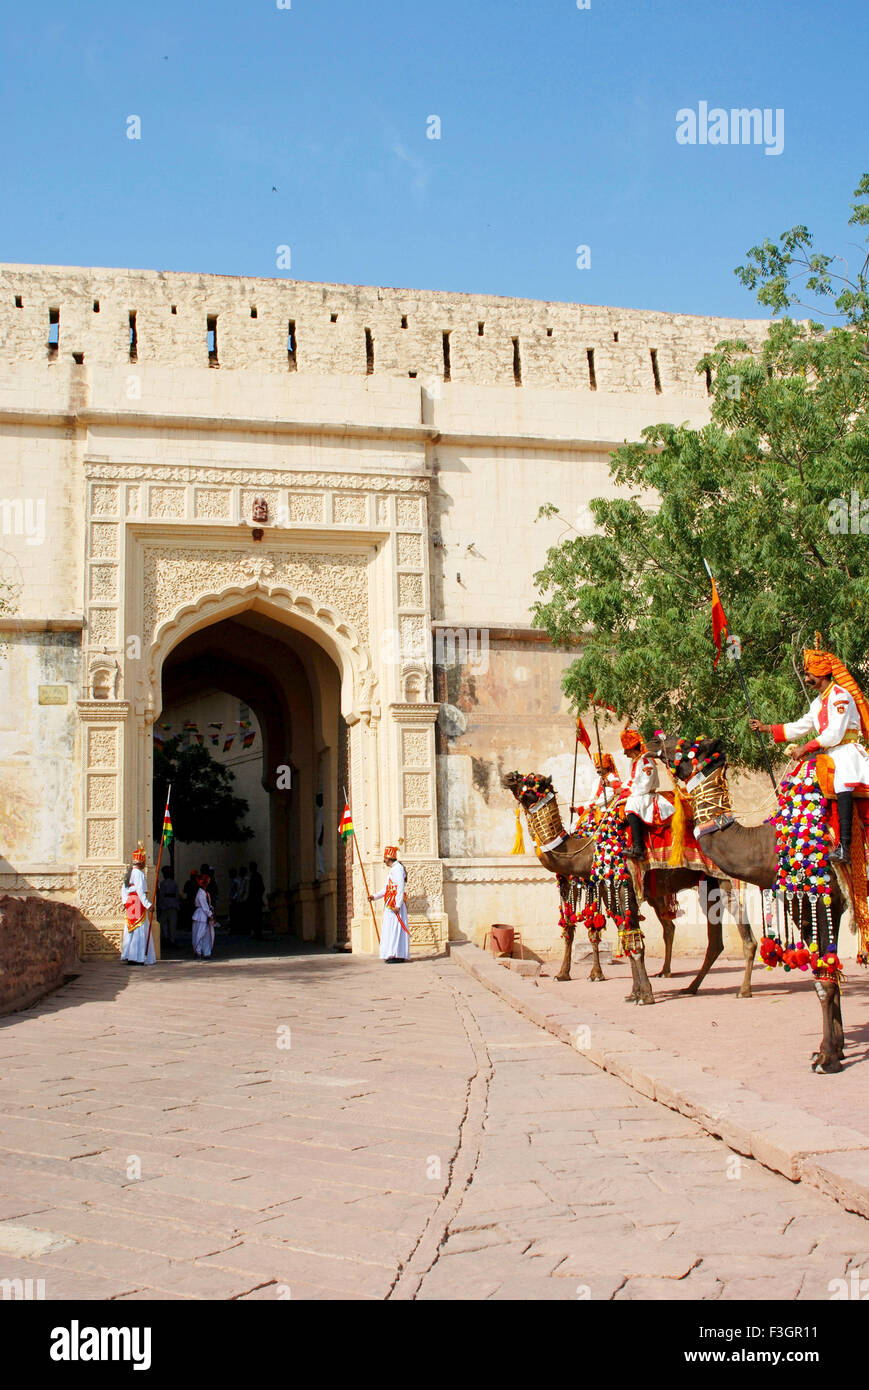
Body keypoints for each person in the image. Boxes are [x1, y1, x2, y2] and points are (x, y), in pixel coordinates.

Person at [751, 644, 869, 863]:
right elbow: (802, 726)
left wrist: (806, 748)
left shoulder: (840, 696)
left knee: (842, 781)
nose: (806, 679)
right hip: (829, 753)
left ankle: (845, 846)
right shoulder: (818, 702)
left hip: (846, 752)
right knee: (800, 779)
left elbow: (835, 733)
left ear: (823, 673)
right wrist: (767, 728)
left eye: (809, 674)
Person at [621, 727, 673, 859]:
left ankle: (639, 847)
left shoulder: (645, 761)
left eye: (626, 750)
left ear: (632, 749)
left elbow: (645, 785)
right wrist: (622, 790)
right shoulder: (635, 762)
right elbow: (630, 781)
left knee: (631, 805)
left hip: (646, 795)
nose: (625, 753)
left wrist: (629, 792)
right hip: (638, 794)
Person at [369, 846, 410, 963]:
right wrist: (375, 896)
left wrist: (398, 904)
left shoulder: (398, 869)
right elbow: (387, 889)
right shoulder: (393, 869)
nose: (384, 861)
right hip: (390, 903)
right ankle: (391, 953)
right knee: (390, 928)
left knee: (396, 928)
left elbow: (400, 887)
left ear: (389, 858)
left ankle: (397, 954)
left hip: (395, 905)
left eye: (385, 859)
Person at [121, 842, 156, 965]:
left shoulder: (129, 873)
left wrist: (124, 901)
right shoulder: (139, 874)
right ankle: (137, 956)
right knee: (139, 927)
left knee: (131, 927)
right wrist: (148, 904)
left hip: (131, 902)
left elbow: (124, 889)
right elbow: (141, 891)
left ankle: (128, 954)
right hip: (138, 902)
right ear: (141, 862)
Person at [192, 873, 215, 960]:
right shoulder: (200, 893)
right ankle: (198, 951)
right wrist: (210, 914)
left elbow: (208, 905)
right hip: (201, 915)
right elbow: (204, 906)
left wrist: (211, 910)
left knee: (208, 935)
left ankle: (207, 952)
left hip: (206, 914)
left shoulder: (207, 893)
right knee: (199, 934)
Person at [156, 865, 179, 947]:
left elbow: (162, 895)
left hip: (165, 905)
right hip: (172, 905)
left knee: (163, 922)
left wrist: (159, 904)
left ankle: (166, 937)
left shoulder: (163, 883)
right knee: (171, 923)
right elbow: (176, 895)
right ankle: (171, 939)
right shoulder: (174, 883)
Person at [247, 861, 265, 939]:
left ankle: (257, 932)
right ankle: (257, 932)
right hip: (257, 899)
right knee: (257, 916)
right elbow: (262, 888)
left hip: (254, 899)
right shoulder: (257, 876)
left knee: (255, 916)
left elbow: (254, 889)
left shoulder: (254, 876)